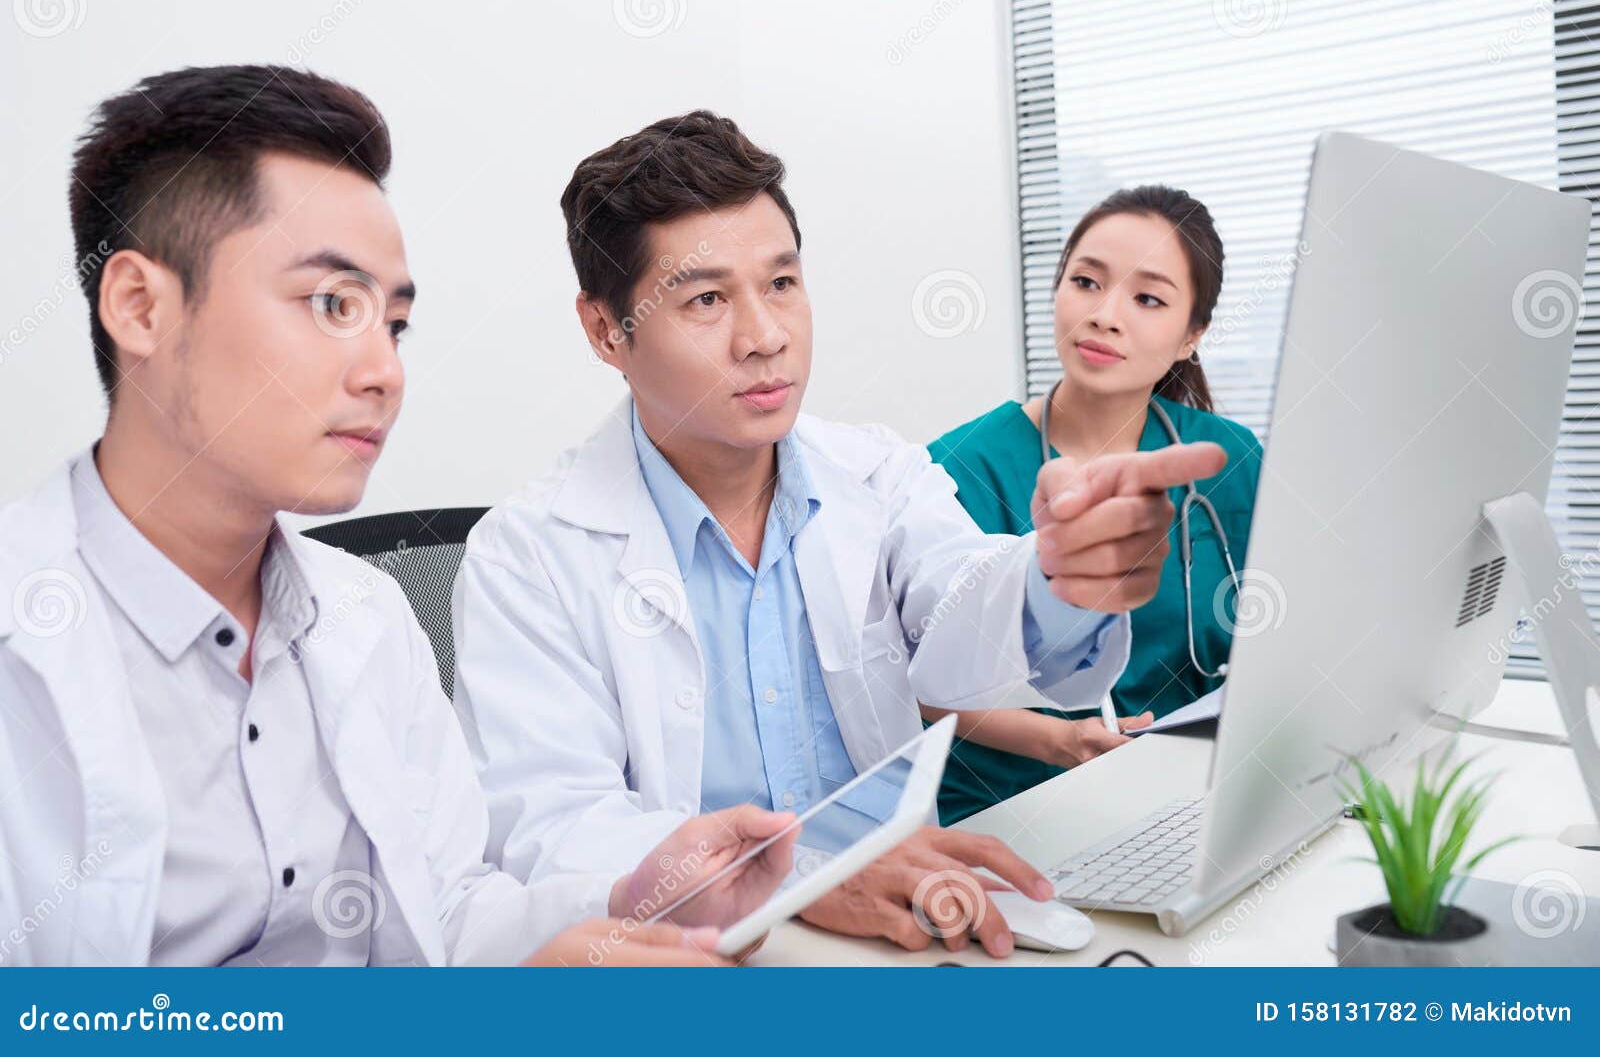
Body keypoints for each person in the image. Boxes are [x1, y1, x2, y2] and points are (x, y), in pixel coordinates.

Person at [0, 66, 795, 967]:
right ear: (141, 306)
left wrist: (624, 907)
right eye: (332, 305)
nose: (384, 371)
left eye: (394, 323)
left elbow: (446, 911)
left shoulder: (364, 616)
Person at [450, 112, 1227, 958]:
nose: (765, 337)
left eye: (781, 284)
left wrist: (1058, 581)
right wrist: (807, 876)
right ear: (608, 331)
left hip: (907, 941)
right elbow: (553, 830)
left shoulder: (876, 476)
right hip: (697, 964)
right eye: (707, 299)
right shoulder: (527, 556)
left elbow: (964, 608)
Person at [923, 186, 1265, 824]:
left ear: (1192, 335)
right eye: (1086, 282)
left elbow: (1275, 639)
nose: (1106, 315)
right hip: (1006, 807)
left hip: (1181, 795)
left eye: (1147, 299)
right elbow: (910, 681)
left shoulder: (1227, 459)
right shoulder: (959, 468)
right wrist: (1060, 741)